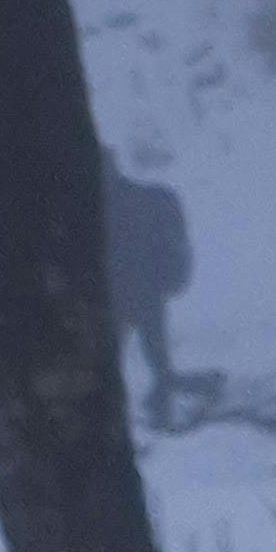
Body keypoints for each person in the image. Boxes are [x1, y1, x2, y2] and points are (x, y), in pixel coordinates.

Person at [104, 160, 193, 400]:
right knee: (156, 357)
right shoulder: (146, 199)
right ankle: (163, 400)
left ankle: (158, 402)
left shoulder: (103, 207)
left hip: (121, 292)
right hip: (147, 289)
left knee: (108, 364)